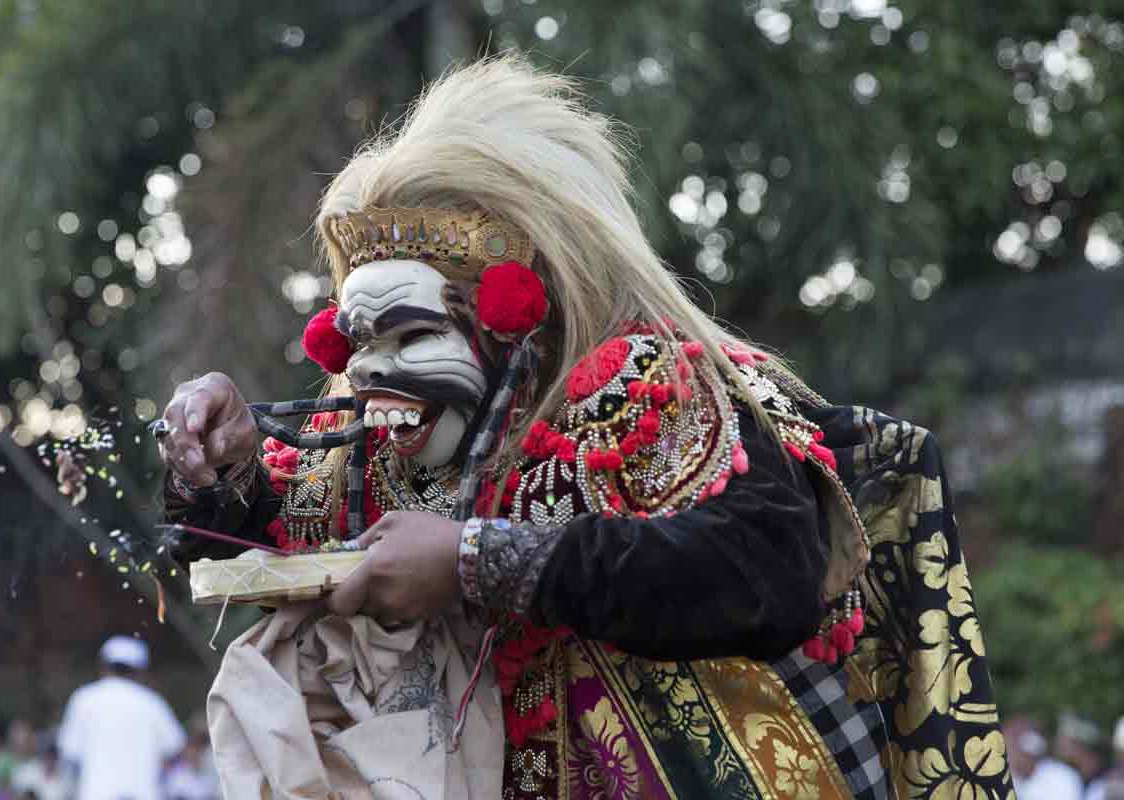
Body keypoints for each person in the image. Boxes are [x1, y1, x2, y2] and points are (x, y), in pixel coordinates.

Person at [160, 55, 1011, 798]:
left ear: (513, 317)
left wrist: (473, 561)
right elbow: (252, 547)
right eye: (360, 343)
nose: (372, 370)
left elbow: (766, 567)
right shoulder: (376, 445)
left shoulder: (647, 389)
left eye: (411, 336)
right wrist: (221, 468)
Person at [57, 637, 185, 800]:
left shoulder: (84, 699)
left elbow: (70, 752)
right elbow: (175, 747)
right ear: (139, 670)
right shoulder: (152, 703)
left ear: (103, 666)